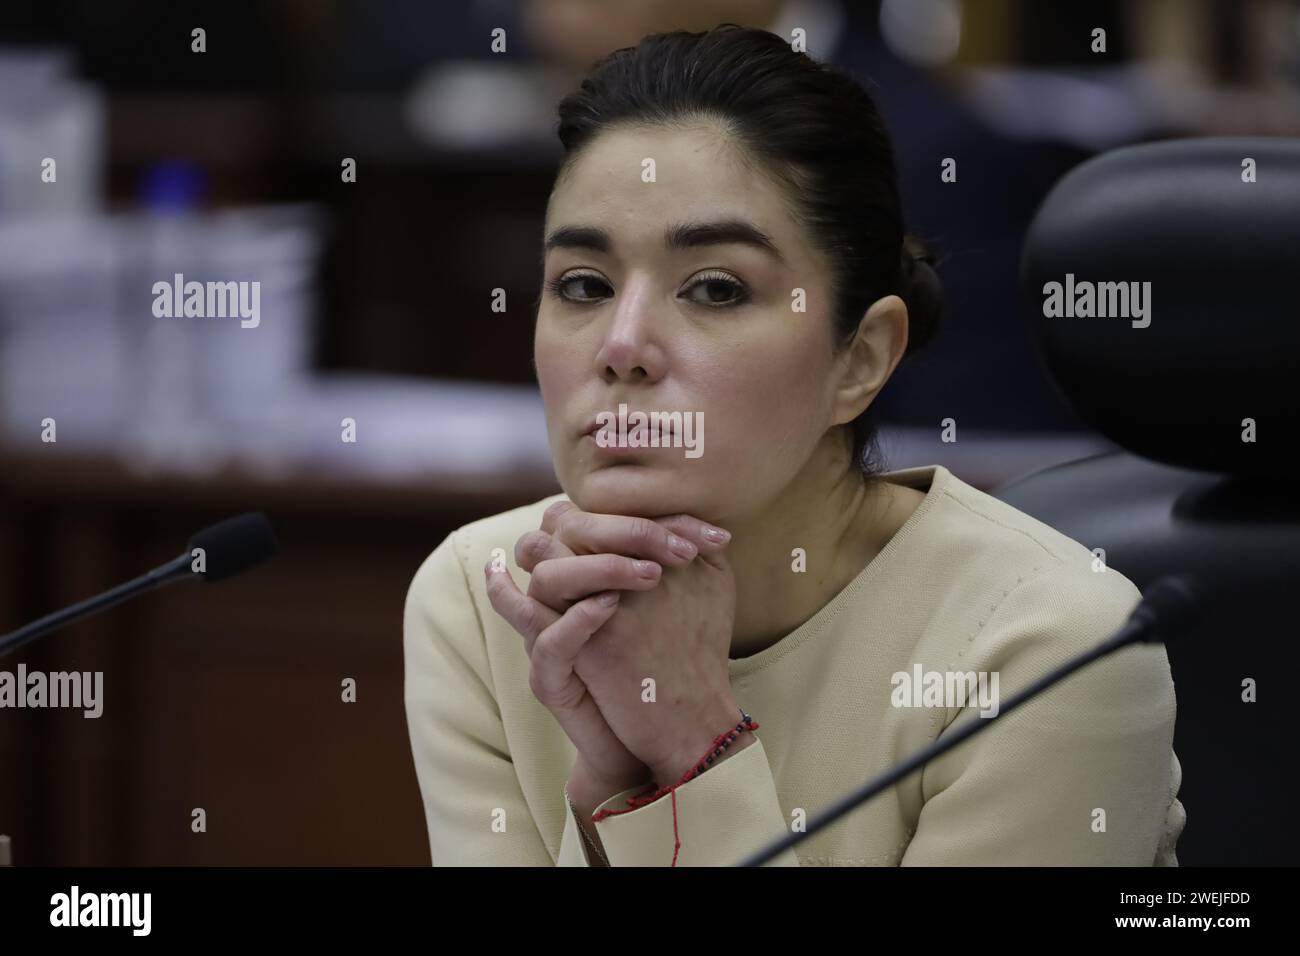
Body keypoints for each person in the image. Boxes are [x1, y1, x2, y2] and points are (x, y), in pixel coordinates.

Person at [402, 24, 1184, 866]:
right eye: (583, 285)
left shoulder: (1047, 647)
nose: (620, 345)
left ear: (861, 358)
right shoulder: (482, 598)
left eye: (715, 288)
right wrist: (614, 777)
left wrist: (692, 746)